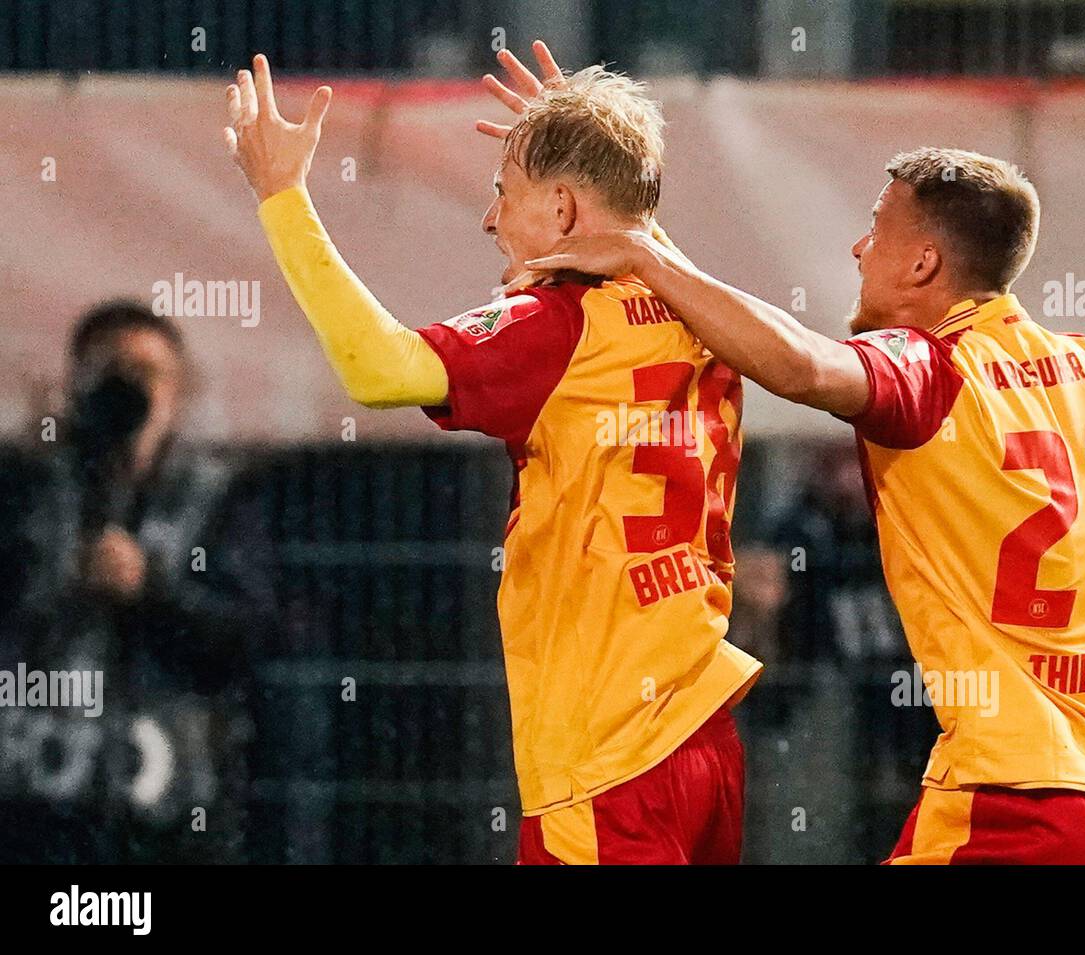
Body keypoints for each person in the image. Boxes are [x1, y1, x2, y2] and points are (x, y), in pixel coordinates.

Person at [525, 146, 1085, 864]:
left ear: (922, 264)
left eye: (875, 227)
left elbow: (802, 367)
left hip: (1017, 801)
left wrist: (643, 260)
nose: (856, 246)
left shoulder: (930, 368)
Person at [222, 50, 760, 865]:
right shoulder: (707, 306)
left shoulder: (559, 324)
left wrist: (280, 196)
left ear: (565, 208)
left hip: (606, 764)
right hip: (703, 738)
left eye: (503, 193)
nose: (489, 218)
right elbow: (632, 220)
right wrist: (585, 135)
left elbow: (381, 368)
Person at [0, 300, 274, 863]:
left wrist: (152, 590)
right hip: (38, 789)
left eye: (146, 372)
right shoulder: (27, 483)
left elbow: (247, 632)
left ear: (178, 392)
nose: (126, 388)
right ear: (76, 383)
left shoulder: (216, 497)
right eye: (108, 371)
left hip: (166, 794)